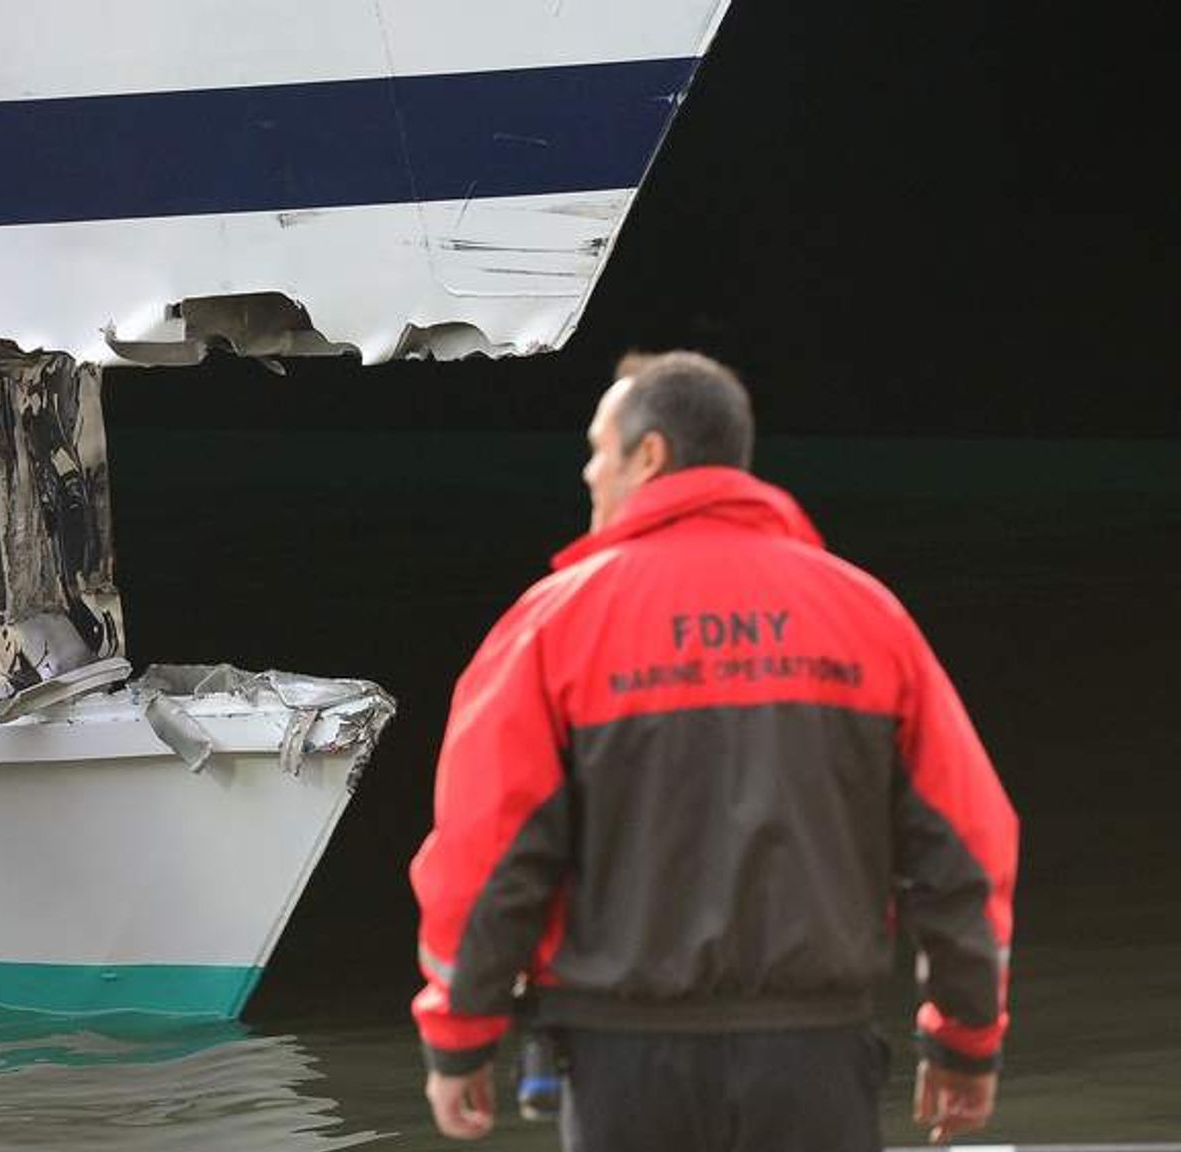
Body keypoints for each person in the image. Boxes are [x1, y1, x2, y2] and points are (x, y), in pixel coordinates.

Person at [409, 351, 1018, 1150]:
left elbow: (490, 854)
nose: (590, 472)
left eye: (598, 448)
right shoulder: (867, 617)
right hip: (817, 1063)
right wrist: (965, 1038)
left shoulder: (553, 627)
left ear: (650, 454)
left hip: (625, 1068)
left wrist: (460, 1035)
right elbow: (962, 852)